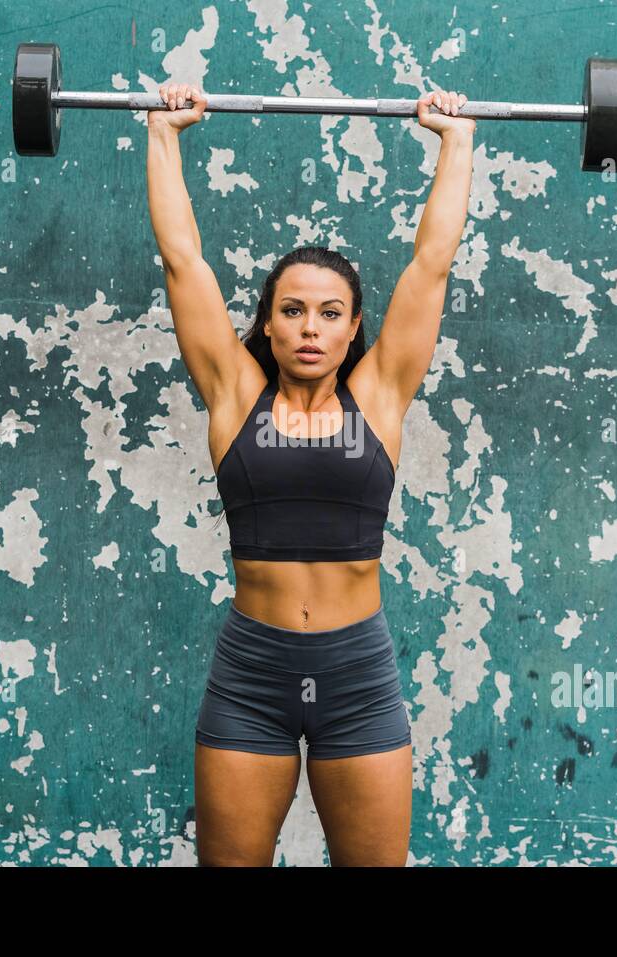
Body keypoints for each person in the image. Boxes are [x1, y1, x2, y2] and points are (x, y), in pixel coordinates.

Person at [146, 80, 474, 865]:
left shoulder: (381, 393)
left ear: (356, 325)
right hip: (252, 673)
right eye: (292, 310)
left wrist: (456, 143)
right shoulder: (234, 391)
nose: (310, 328)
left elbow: (431, 264)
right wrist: (163, 134)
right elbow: (182, 260)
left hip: (357, 673)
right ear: (267, 322)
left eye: (331, 313)